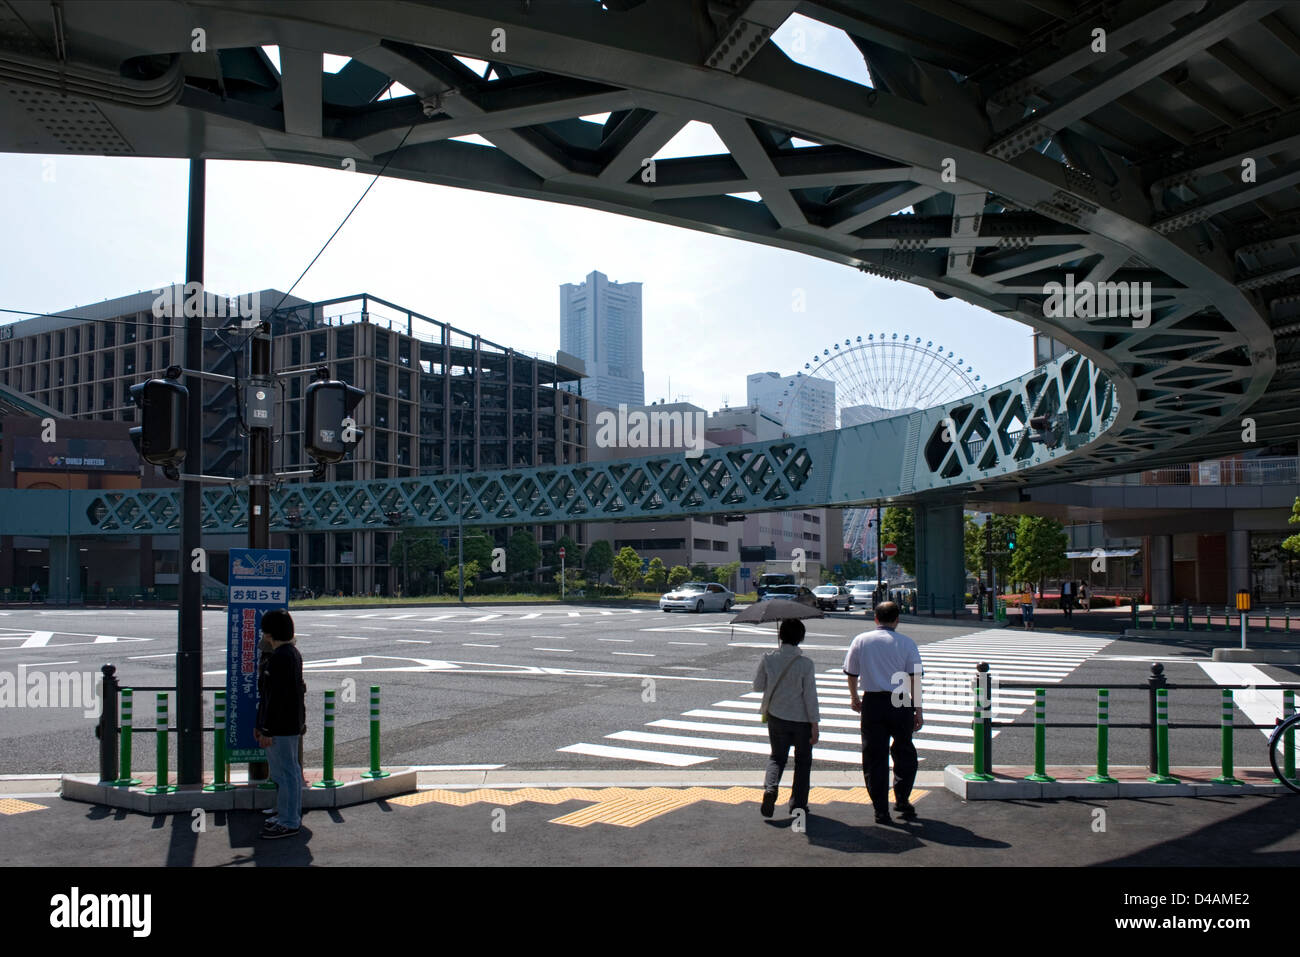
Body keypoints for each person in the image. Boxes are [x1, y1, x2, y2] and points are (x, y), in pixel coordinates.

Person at [843, 601, 923, 825]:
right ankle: (902, 798)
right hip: (900, 699)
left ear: (875, 618)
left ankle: (880, 809)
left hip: (873, 701)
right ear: (897, 619)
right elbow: (915, 678)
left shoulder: (861, 640)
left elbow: (851, 673)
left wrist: (854, 697)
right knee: (904, 750)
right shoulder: (907, 643)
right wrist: (918, 710)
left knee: (874, 756)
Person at [753, 618, 820, 818]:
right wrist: (815, 724)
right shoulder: (806, 664)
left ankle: (770, 789)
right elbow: (810, 696)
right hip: (801, 720)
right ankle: (798, 805)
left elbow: (757, 686)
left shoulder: (768, 659)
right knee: (802, 762)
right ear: (801, 638)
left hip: (776, 716)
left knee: (777, 757)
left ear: (780, 636)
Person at [255, 609, 305, 839]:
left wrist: (266, 728)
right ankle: (285, 814)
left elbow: (275, 698)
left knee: (285, 773)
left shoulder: (281, 658)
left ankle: (289, 820)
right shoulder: (290, 654)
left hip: (280, 726)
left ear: (270, 633)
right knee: (285, 772)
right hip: (287, 723)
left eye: (265, 630)